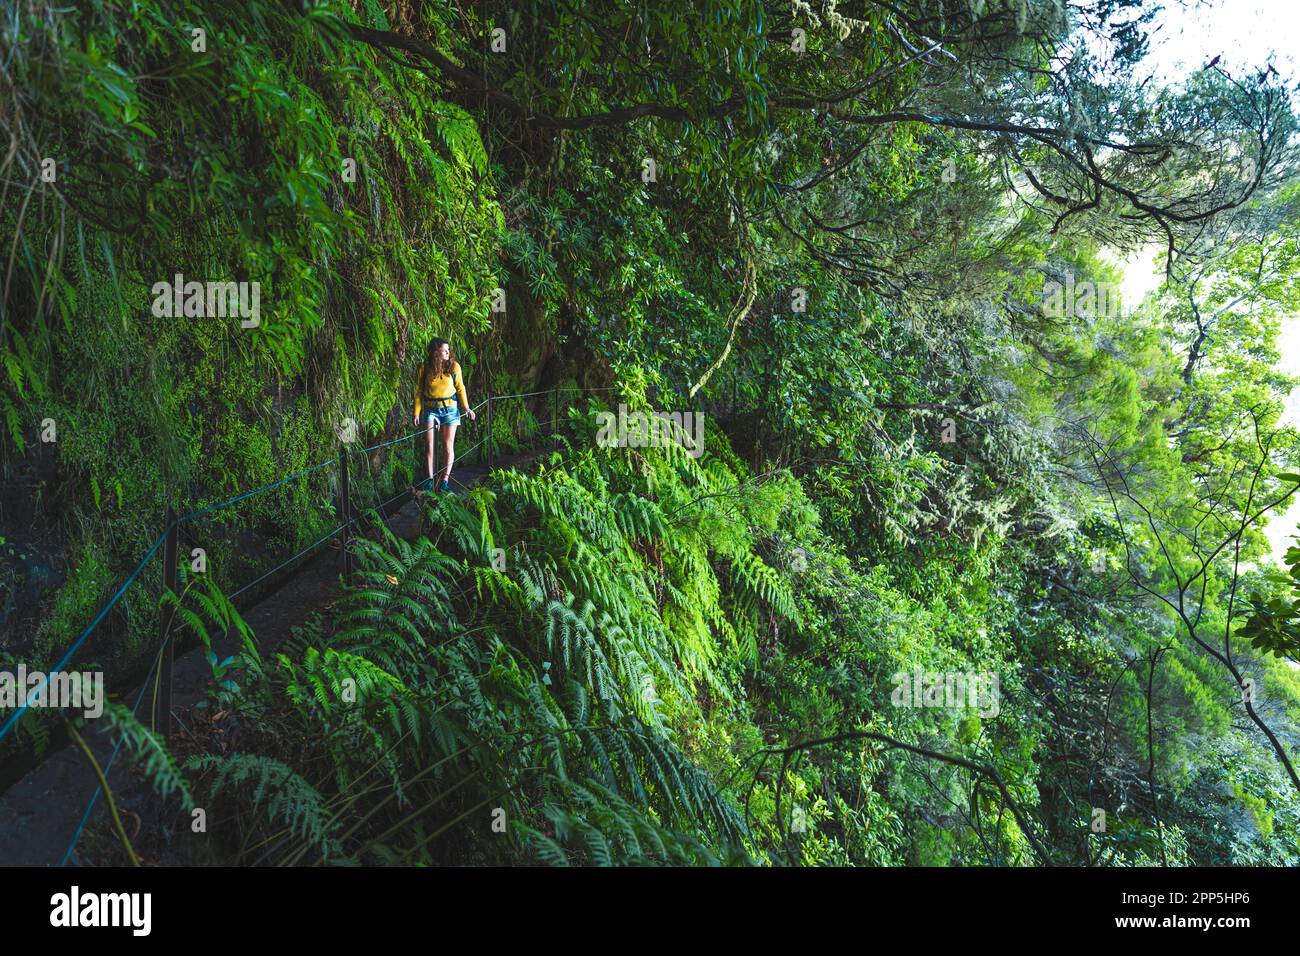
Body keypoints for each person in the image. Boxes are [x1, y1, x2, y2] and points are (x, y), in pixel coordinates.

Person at [413, 338, 476, 492]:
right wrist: (416, 412)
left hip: (450, 410)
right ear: (436, 352)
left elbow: (460, 388)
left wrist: (466, 408)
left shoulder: (454, 367)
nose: (448, 352)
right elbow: (418, 392)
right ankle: (429, 479)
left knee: (447, 446)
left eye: (449, 350)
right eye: (444, 350)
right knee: (429, 445)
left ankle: (444, 481)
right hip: (430, 409)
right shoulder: (424, 368)